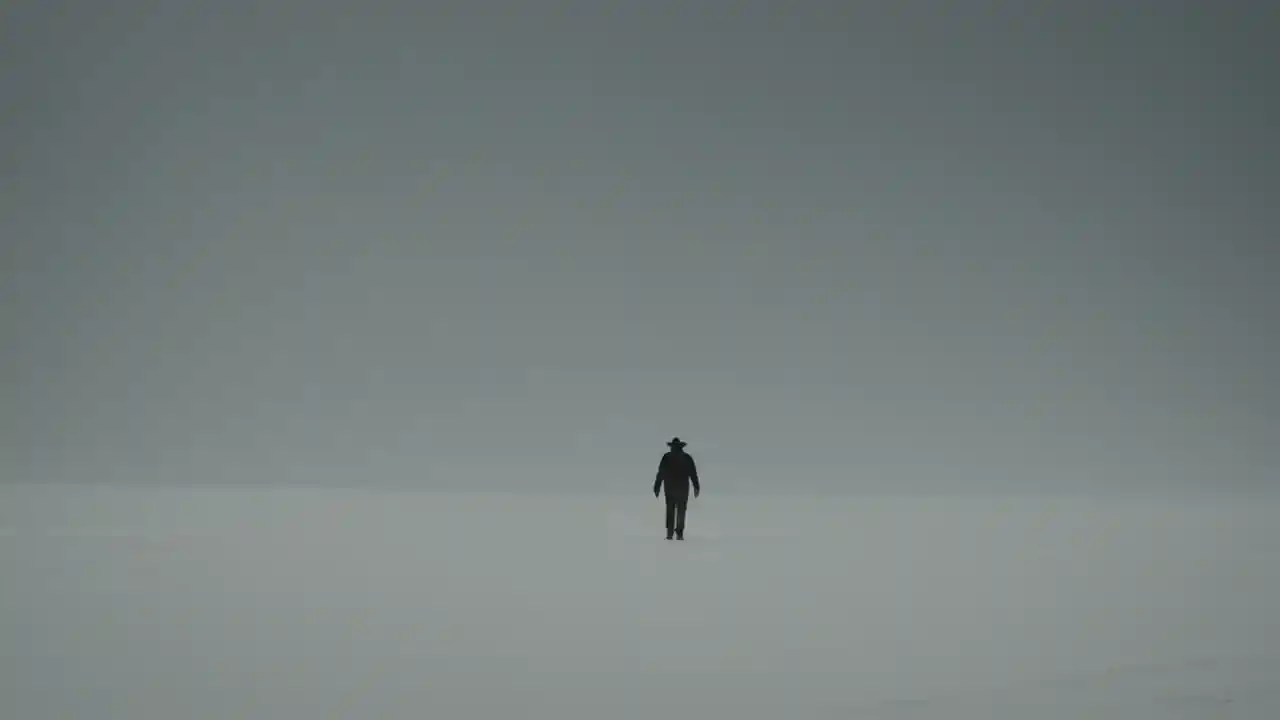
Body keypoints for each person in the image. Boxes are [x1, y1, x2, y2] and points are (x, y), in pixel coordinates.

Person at [653, 437, 700, 540]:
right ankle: (679, 532)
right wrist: (696, 486)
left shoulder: (667, 457)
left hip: (670, 488)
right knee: (681, 510)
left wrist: (657, 486)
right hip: (682, 489)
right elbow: (693, 474)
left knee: (670, 510)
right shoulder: (686, 458)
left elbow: (660, 473)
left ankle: (670, 533)